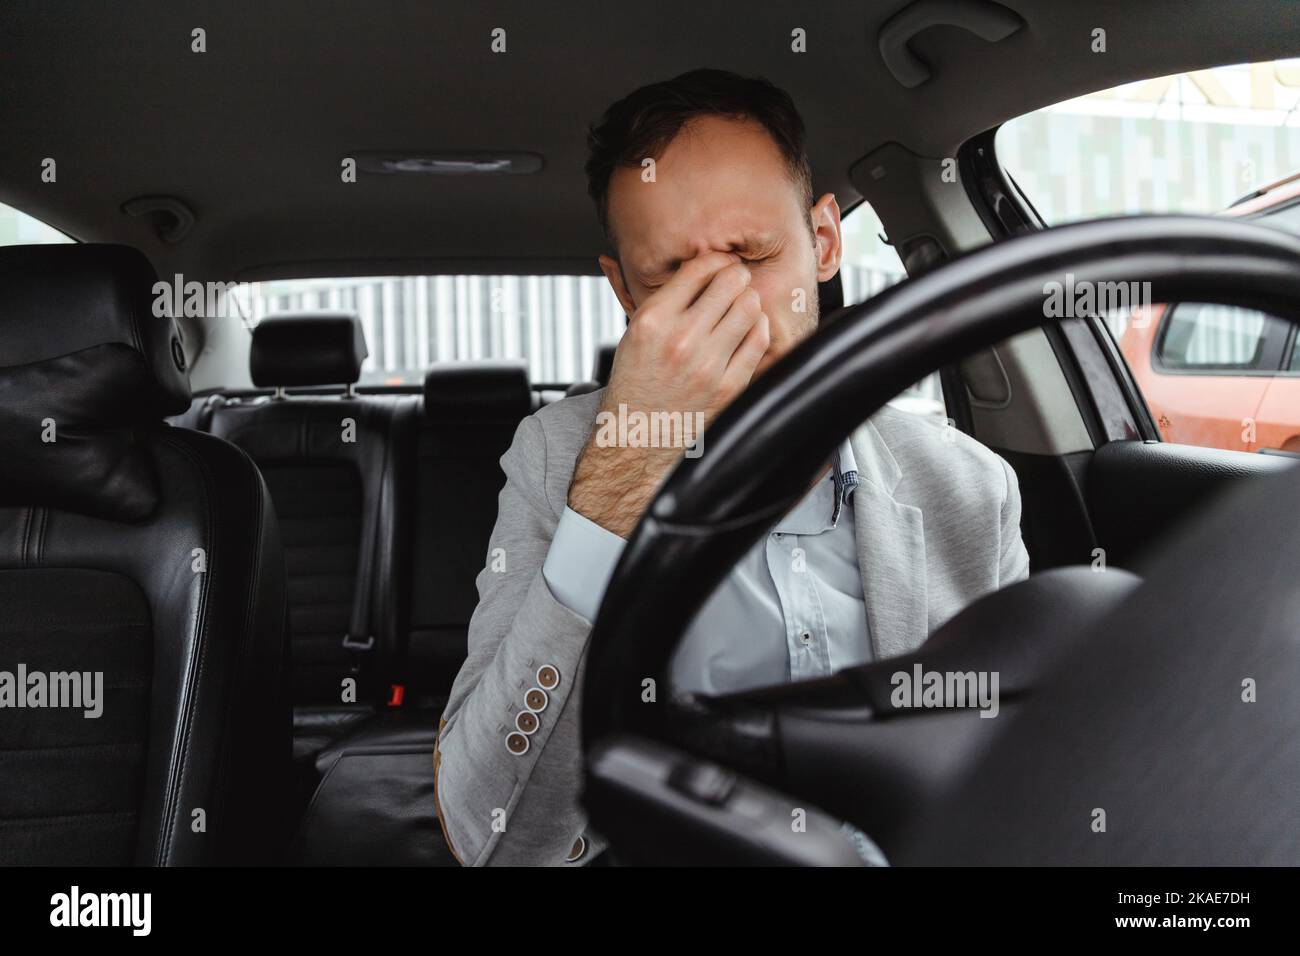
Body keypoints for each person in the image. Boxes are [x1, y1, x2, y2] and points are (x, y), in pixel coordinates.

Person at [433, 68, 1030, 866]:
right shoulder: (555, 458)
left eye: (753, 254)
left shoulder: (967, 484)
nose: (731, 312)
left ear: (823, 241)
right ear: (623, 293)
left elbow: (1028, 778)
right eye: (670, 277)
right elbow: (490, 836)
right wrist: (622, 473)